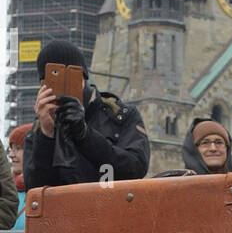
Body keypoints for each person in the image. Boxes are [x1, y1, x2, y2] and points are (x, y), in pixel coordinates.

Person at [24, 40, 150, 189]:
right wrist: (46, 135)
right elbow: (35, 188)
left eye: (70, 77)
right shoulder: (40, 128)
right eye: (52, 80)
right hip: (62, 212)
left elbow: (135, 169)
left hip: (110, 209)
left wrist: (84, 135)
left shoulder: (120, 116)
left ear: (83, 76)